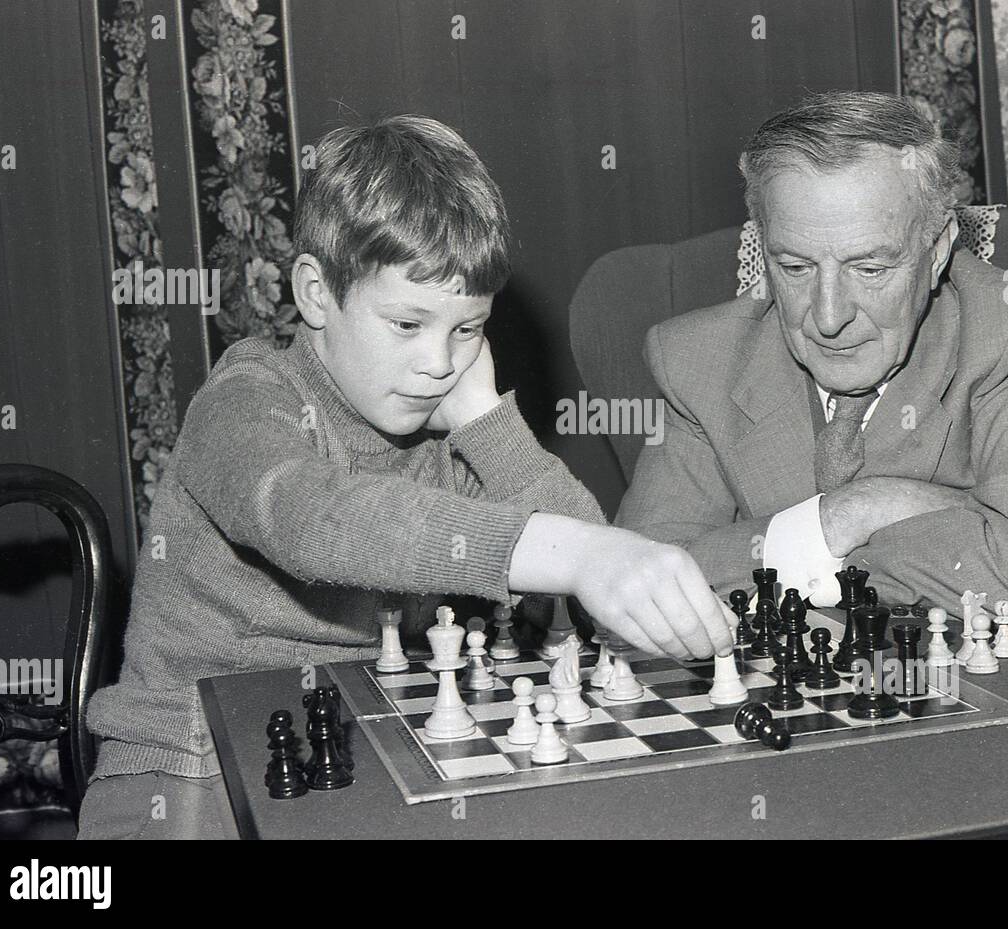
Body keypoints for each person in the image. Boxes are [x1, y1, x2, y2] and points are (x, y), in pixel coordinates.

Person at [79, 115, 731, 839]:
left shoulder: (444, 424)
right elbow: (313, 519)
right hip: (181, 763)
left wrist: (488, 421)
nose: (438, 363)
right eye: (406, 324)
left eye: (467, 328)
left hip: (361, 751)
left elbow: (588, 592)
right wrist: (573, 554)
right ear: (317, 293)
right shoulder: (246, 399)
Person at [616, 91, 1008, 681]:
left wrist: (781, 549)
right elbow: (636, 588)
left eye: (870, 269)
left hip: (996, 691)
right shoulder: (696, 360)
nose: (829, 316)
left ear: (938, 250)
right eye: (795, 267)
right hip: (793, 698)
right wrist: (844, 516)